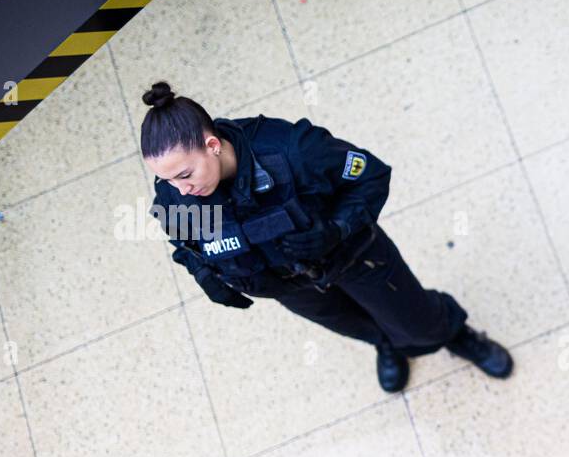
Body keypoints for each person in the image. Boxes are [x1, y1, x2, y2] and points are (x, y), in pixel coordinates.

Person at [140, 81, 512, 392]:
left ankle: (455, 334)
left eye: (184, 174)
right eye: (167, 178)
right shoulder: (175, 194)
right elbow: (182, 239)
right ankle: (386, 345)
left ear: (212, 146)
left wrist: (337, 228)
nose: (179, 189)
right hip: (288, 287)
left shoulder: (295, 149)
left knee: (417, 322)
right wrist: (205, 275)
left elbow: (372, 176)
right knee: (356, 326)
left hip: (353, 257)